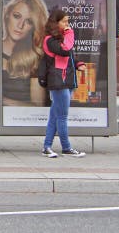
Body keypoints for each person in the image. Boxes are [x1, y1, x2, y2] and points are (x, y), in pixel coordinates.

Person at [41, 8, 87, 158]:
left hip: (66, 79)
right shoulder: (50, 40)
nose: (68, 24)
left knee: (55, 116)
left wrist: (78, 63)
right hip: (58, 80)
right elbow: (65, 50)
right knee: (62, 116)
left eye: (68, 21)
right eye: (65, 21)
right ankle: (66, 147)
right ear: (56, 23)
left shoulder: (61, 37)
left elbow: (69, 56)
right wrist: (70, 33)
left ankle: (47, 146)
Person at [1, 0, 48, 107]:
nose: (20, 25)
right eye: (17, 16)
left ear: (33, 27)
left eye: (29, 22)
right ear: (7, 15)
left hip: (20, 121)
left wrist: (2, 100)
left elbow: (38, 107)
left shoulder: (35, 58)